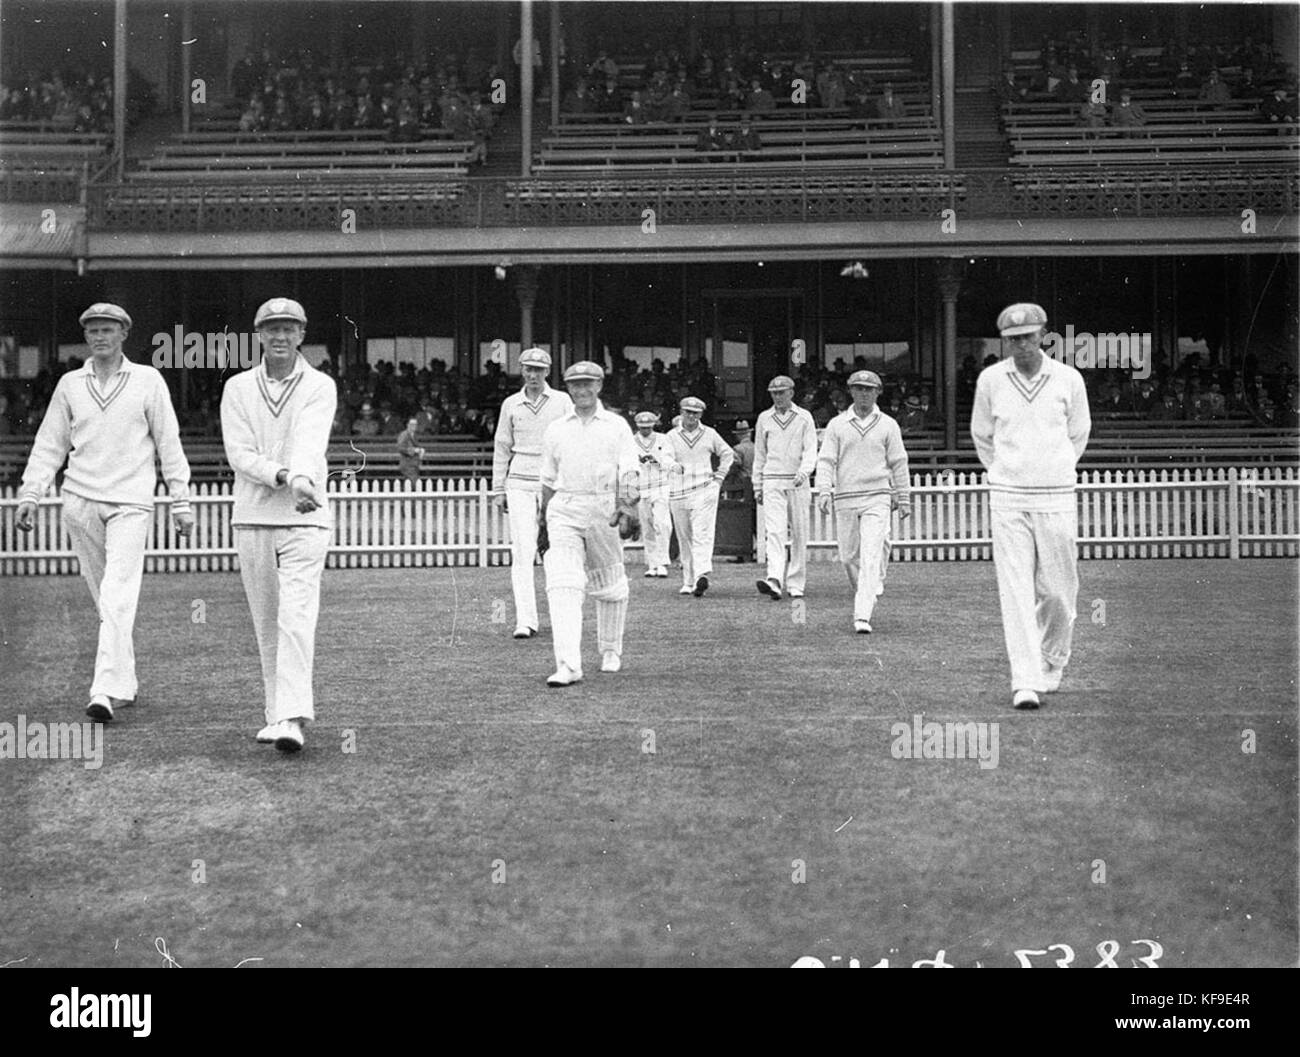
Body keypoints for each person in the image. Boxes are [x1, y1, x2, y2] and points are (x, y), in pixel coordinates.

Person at [15, 302, 193, 722]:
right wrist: (30, 494)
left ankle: (103, 690)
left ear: (123, 334)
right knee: (106, 599)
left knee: (117, 593)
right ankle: (124, 682)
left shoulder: (148, 380)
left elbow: (169, 443)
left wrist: (180, 501)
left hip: (131, 500)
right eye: (93, 330)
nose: (99, 337)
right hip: (80, 499)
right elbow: (50, 444)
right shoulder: (70, 385)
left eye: (107, 330)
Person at [220, 297, 337, 752]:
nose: (281, 337)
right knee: (267, 622)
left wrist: (304, 479)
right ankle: (275, 714)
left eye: (289, 329)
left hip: (305, 519)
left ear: (303, 334)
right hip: (252, 517)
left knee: (296, 618)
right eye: (272, 329)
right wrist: (286, 477)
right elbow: (240, 454)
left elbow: (310, 438)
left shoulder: (319, 385)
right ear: (260, 336)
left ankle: (292, 717)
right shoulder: (238, 389)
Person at [971, 303, 1091, 711]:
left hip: (1056, 494)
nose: (1021, 346)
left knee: (1059, 590)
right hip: (1008, 496)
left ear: (1042, 335)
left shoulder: (1068, 379)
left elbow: (1078, 434)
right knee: (1015, 589)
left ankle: (1052, 659)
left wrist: (1051, 470)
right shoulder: (990, 380)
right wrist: (1007, 474)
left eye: (1028, 337)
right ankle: (1024, 678)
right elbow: (982, 436)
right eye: (1013, 340)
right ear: (1005, 342)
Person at [536, 361, 640, 687]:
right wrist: (542, 520)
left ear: (599, 386)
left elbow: (630, 468)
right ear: (568, 388)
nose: (581, 390)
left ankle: (610, 649)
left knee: (609, 584)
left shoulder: (616, 425)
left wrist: (628, 505)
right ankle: (569, 665)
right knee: (563, 584)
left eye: (588, 384)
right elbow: (549, 479)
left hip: (603, 507)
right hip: (564, 509)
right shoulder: (556, 429)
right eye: (575, 385)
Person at [816, 371, 910, 634]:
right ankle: (865, 590)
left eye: (869, 389)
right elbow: (826, 461)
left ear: (878, 392)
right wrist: (824, 490)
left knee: (870, 555)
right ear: (850, 391)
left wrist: (904, 497)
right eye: (858, 389)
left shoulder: (888, 424)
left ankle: (862, 615)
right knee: (848, 557)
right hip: (846, 496)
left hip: (877, 496)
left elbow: (899, 462)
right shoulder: (837, 424)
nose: (864, 393)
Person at [491, 347, 574, 639]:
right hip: (519, 483)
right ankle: (525, 620)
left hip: (554, 485)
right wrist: (498, 488)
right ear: (522, 370)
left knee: (555, 551)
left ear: (547, 372)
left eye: (538, 370)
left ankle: (562, 615)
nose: (533, 375)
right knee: (522, 552)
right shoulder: (511, 404)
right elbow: (502, 447)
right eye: (528, 369)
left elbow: (572, 442)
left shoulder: (563, 401)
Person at [753, 375, 818, 602]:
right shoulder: (764, 418)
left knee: (799, 533)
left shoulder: (804, 417)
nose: (777, 397)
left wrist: (804, 470)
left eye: (781, 392)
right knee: (774, 532)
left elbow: (811, 450)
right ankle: (774, 579)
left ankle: (796, 582)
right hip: (772, 480)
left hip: (797, 481)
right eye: (774, 393)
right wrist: (757, 485)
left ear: (791, 392)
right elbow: (760, 454)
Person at [666, 396, 734, 597]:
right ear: (681, 412)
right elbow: (665, 457)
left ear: (701, 415)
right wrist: (673, 466)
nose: (691, 416)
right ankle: (688, 580)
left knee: (702, 533)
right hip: (678, 491)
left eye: (695, 413)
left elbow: (727, 454)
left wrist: (719, 478)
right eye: (687, 412)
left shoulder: (709, 434)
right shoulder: (671, 435)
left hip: (704, 489)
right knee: (684, 537)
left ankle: (701, 575)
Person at [632, 410, 678, 579]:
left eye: (648, 427)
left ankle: (662, 562)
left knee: (663, 524)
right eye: (642, 427)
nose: (646, 430)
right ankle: (652, 564)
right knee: (647, 526)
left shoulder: (663, 439)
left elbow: (668, 459)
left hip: (660, 485)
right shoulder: (632, 441)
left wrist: (656, 461)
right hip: (642, 486)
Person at [395, 417, 425, 483]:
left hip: (414, 464)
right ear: (407, 425)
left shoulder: (414, 435)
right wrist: (414, 450)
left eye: (415, 424)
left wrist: (420, 450)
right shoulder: (404, 435)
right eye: (412, 424)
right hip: (407, 464)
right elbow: (400, 447)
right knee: (414, 484)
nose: (414, 426)